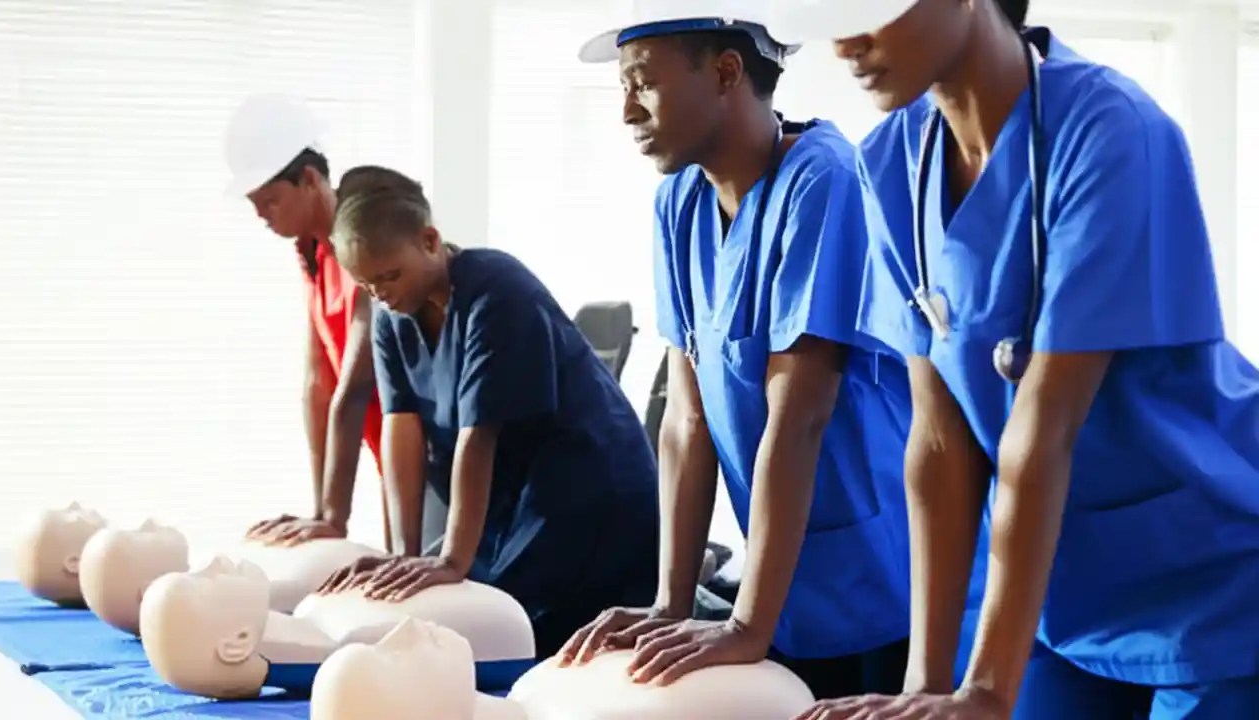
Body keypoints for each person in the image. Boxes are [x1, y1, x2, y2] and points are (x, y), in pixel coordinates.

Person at [766, 1, 1259, 718]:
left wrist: (986, 692)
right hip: (1054, 595)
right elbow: (938, 438)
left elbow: (1043, 422)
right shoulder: (889, 163)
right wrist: (927, 689)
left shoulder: (1110, 129)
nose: (845, 39)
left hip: (1209, 579)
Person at [558, 1, 915, 701]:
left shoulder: (823, 181)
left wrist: (749, 620)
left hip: (881, 580)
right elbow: (687, 423)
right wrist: (673, 599)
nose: (628, 111)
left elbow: (800, 417)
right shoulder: (679, 204)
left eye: (643, 83)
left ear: (726, 71)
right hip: (783, 582)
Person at [314, 166, 660, 660]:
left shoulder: (497, 290)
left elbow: (479, 434)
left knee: (510, 635)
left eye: (391, 276)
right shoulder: (392, 315)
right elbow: (401, 428)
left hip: (589, 494)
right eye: (368, 286)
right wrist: (403, 555)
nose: (383, 294)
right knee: (450, 612)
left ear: (430, 241)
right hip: (514, 503)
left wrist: (452, 559)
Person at [222, 94, 386, 549]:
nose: (261, 215)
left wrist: (333, 517)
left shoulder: (367, 245)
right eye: (255, 203)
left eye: (271, 200)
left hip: (427, 454)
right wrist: (321, 512)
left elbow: (355, 386)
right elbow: (319, 384)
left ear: (310, 180)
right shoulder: (312, 253)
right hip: (385, 452)